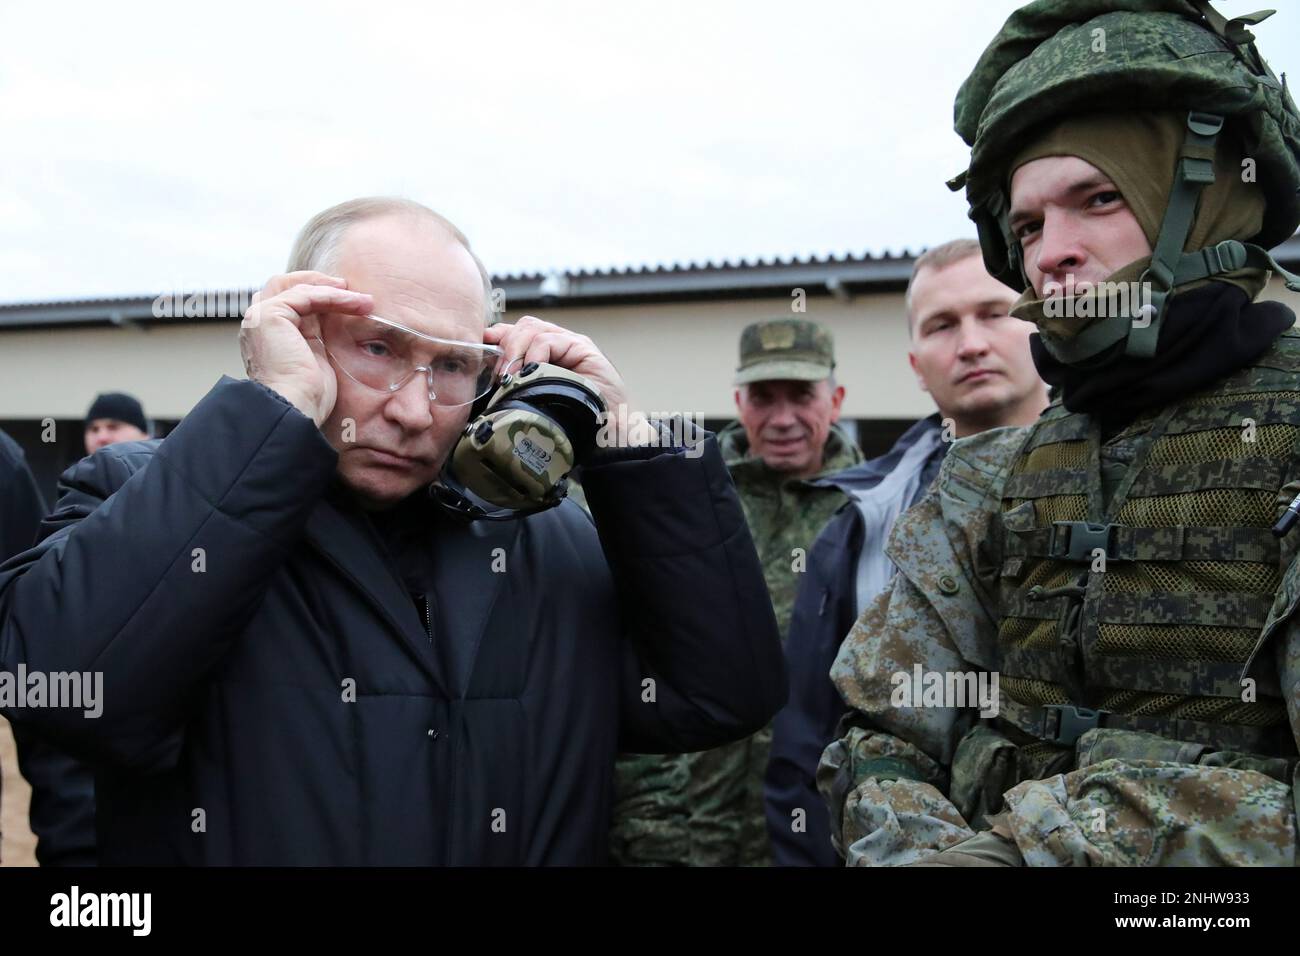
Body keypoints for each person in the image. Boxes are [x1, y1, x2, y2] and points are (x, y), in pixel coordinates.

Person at [0, 196, 786, 865]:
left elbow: (722, 695)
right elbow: (74, 694)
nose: (414, 410)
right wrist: (271, 415)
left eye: (451, 367)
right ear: (298, 329)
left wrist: (627, 440)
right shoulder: (138, 491)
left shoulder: (546, 541)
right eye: (377, 348)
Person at [820, 0, 1300, 866]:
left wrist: (1034, 852)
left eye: (1100, 199)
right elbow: (883, 730)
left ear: (1211, 199)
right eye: (1030, 224)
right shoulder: (990, 475)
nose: (1051, 255)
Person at [766, 238, 1048, 867]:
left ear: (1039, 319)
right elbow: (807, 743)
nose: (970, 343)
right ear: (917, 365)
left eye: (993, 313)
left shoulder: (1132, 485)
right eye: (942, 325)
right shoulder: (860, 527)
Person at [613, 318, 861, 866]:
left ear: (836, 400)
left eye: (801, 395)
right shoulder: (684, 498)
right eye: (762, 397)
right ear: (738, 401)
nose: (782, 418)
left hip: (808, 835)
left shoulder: (871, 510)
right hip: (672, 826)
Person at [83, 393, 150, 455]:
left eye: (113, 427)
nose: (102, 438)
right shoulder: (76, 468)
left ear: (143, 435)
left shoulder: (158, 467)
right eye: (94, 429)